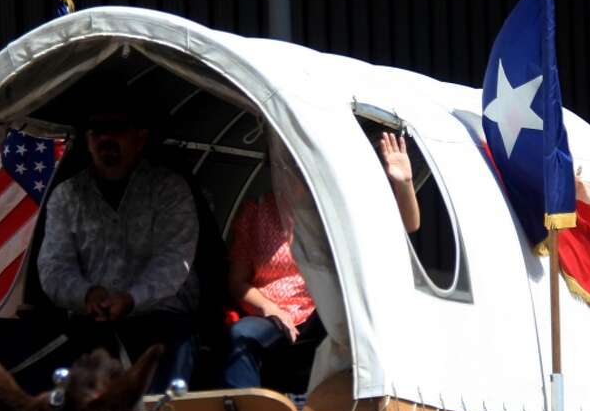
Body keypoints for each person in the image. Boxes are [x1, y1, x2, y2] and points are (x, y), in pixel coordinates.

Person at [224, 131, 420, 390]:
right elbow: (237, 281)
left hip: (323, 313)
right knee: (241, 335)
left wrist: (404, 183)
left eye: (298, 164)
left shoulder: (336, 210)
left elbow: (408, 225)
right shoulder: (256, 211)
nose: (293, 175)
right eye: (283, 166)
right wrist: (269, 308)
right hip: (272, 316)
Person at [38, 92, 198, 391]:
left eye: (118, 129)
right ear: (87, 140)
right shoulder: (66, 195)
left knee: (161, 401)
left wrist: (131, 298)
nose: (106, 138)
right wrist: (86, 295)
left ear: (140, 138)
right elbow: (54, 266)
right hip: (92, 322)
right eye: (98, 131)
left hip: (161, 320)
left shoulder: (169, 190)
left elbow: (174, 261)